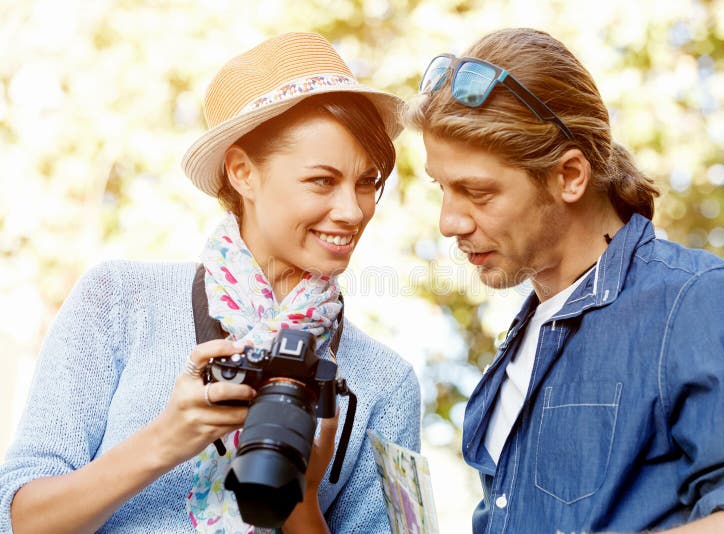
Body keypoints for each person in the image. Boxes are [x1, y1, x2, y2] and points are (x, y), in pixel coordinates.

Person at [0, 32, 420, 533]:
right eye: (322, 181)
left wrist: (302, 499)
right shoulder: (119, 299)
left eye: (367, 182)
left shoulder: (386, 383)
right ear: (243, 172)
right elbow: (19, 520)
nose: (353, 211)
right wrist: (167, 439)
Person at [405, 27, 724, 533]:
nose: (448, 222)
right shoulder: (523, 341)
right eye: (442, 188)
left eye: (477, 193)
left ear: (569, 175)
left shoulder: (698, 303)